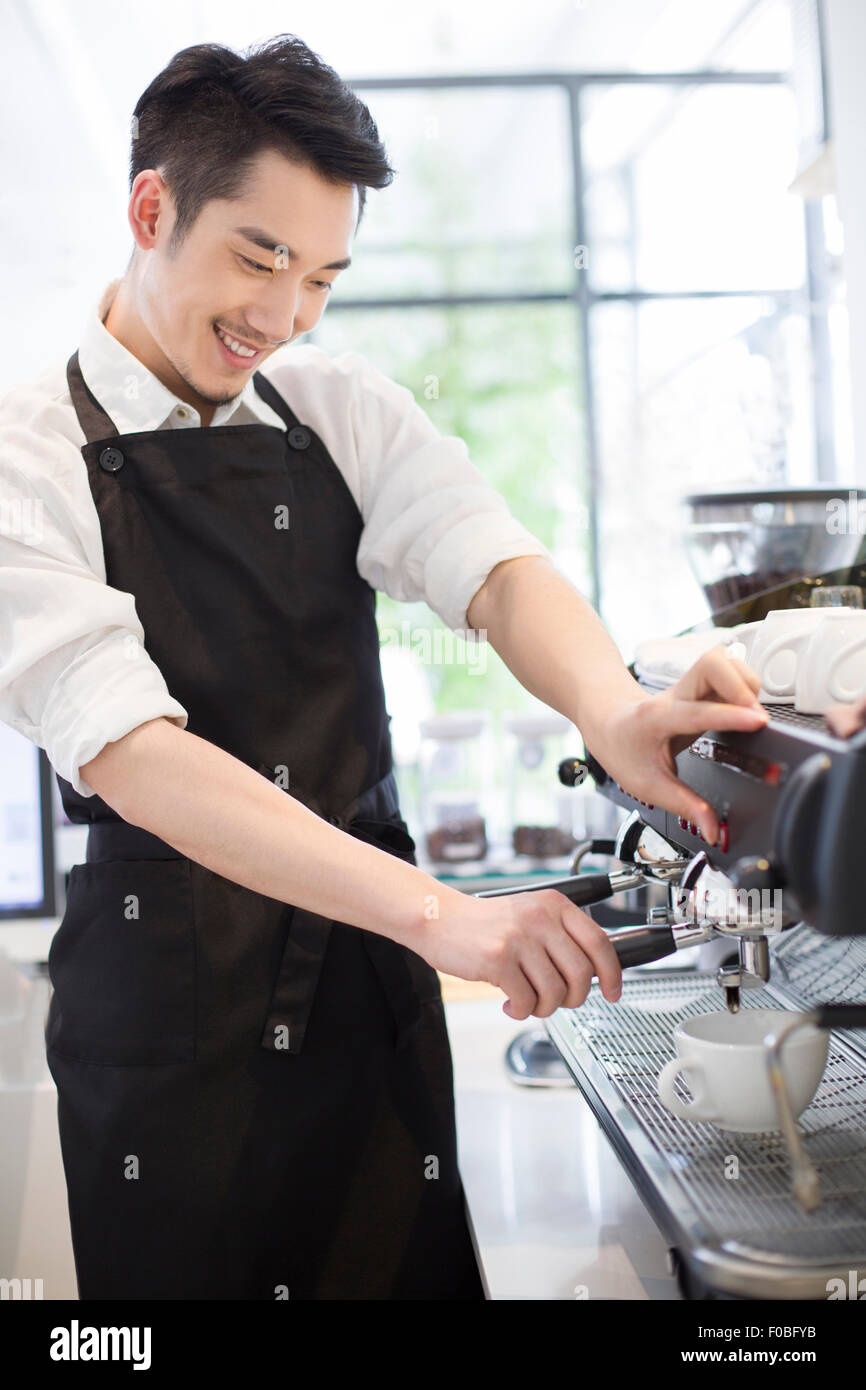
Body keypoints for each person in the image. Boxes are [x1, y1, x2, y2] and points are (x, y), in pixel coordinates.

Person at [0, 34, 768, 1301]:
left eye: (320, 277)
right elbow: (135, 755)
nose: (283, 314)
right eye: (259, 258)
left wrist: (612, 704)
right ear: (151, 207)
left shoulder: (335, 407)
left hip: (362, 990)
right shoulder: (27, 458)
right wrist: (448, 918)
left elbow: (492, 565)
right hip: (162, 1024)